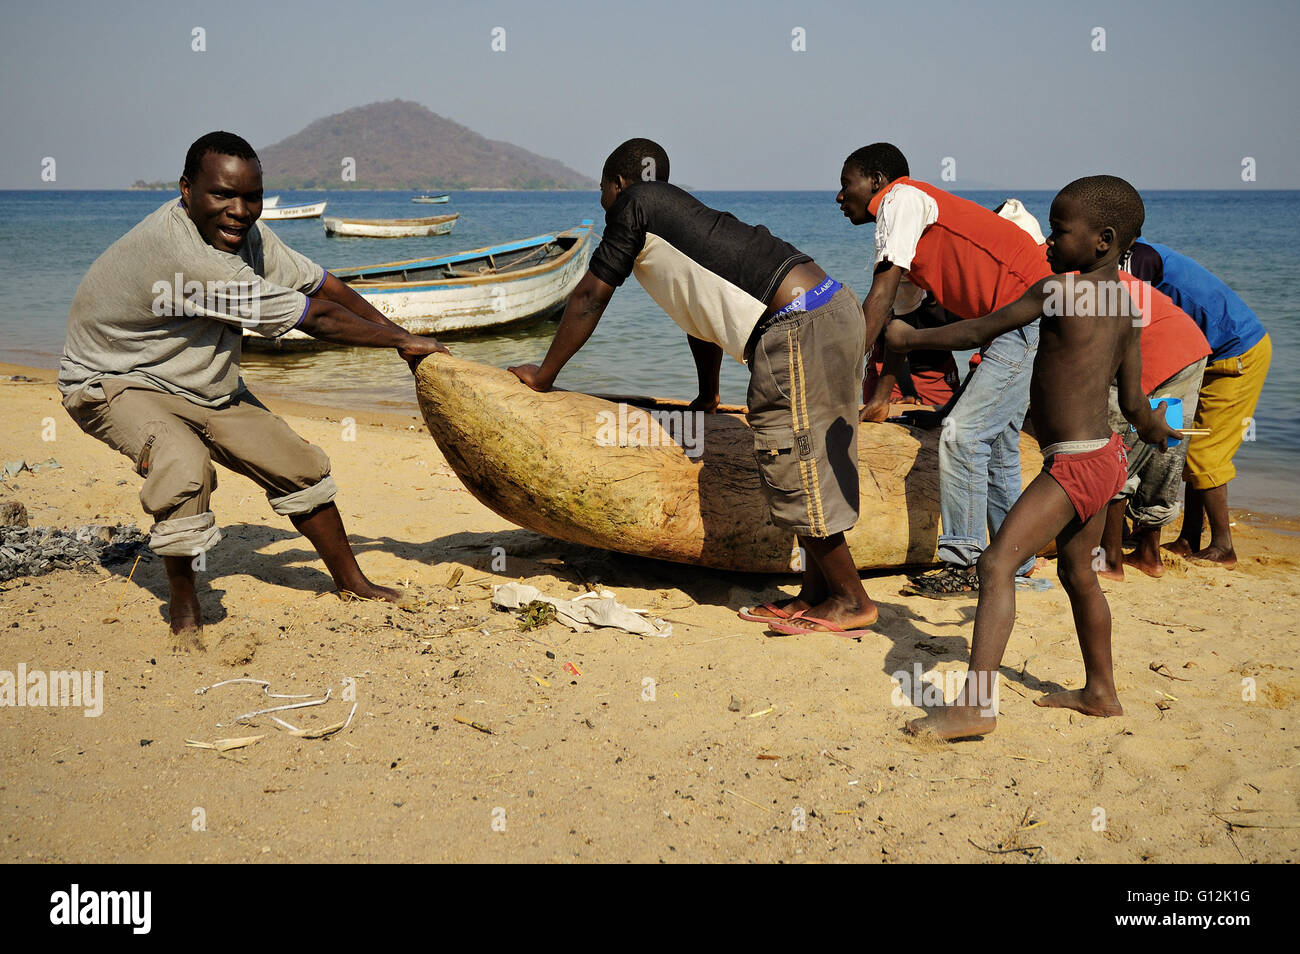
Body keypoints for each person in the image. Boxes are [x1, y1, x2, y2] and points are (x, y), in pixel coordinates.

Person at [58, 131, 448, 641]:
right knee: (182, 463)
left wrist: (402, 339)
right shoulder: (185, 258)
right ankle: (184, 603)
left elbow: (321, 285)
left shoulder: (247, 236)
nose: (239, 211)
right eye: (222, 195)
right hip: (114, 380)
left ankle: (353, 582)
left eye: (252, 197)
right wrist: (400, 339)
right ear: (186, 190)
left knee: (296, 463)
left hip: (202, 381)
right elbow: (316, 318)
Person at [510, 138, 876, 636]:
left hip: (796, 324)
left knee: (793, 459)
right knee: (811, 459)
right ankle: (815, 594)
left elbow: (590, 296)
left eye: (602, 190)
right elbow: (699, 317)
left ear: (619, 183)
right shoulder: (677, 215)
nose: (602, 201)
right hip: (829, 307)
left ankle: (852, 600)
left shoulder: (634, 205)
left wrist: (543, 375)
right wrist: (708, 396)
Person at [884, 175, 1180, 739]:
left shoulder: (1057, 292)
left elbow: (979, 329)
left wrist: (907, 339)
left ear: (1103, 239)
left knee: (995, 565)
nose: (1047, 241)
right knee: (1077, 572)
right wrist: (1157, 429)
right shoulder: (1125, 306)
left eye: (1059, 230)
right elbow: (1135, 404)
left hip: (1074, 464)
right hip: (1108, 457)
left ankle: (975, 708)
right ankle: (1100, 691)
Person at [836, 144, 1052, 598]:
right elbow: (897, 326)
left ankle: (965, 562)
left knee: (961, 435)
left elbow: (879, 298)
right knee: (999, 448)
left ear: (876, 181)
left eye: (845, 184)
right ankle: (1016, 565)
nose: (840, 196)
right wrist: (880, 398)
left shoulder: (900, 199)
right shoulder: (910, 236)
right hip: (1018, 320)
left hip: (1022, 316)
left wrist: (834, 376)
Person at [1121, 241, 1272, 569]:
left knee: (1206, 454)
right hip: (1201, 353)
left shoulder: (1138, 259)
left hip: (1236, 352)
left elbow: (1133, 320)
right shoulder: (1137, 256)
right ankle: (1189, 538)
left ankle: (1223, 546)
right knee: (1184, 445)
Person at [1098, 276, 1210, 579]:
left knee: (1115, 451)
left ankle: (1110, 560)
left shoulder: (1057, 279)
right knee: (1164, 449)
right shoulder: (1096, 268)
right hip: (1189, 344)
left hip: (1151, 348)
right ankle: (1149, 554)